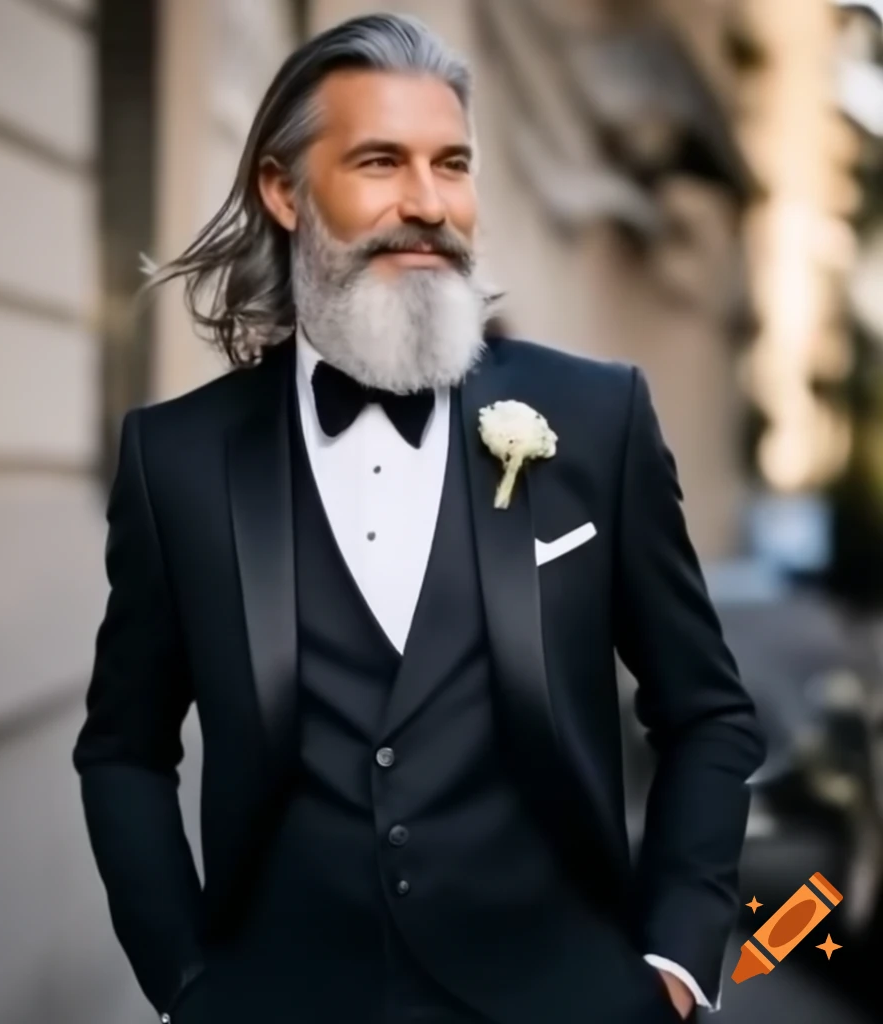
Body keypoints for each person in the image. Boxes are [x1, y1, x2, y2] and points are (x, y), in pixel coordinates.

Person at [73, 13, 766, 1024]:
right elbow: (124, 749)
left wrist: (675, 958)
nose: (428, 203)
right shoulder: (174, 458)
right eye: (379, 162)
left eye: (452, 164)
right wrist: (185, 984)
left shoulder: (594, 417)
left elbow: (706, 712)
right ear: (283, 189)